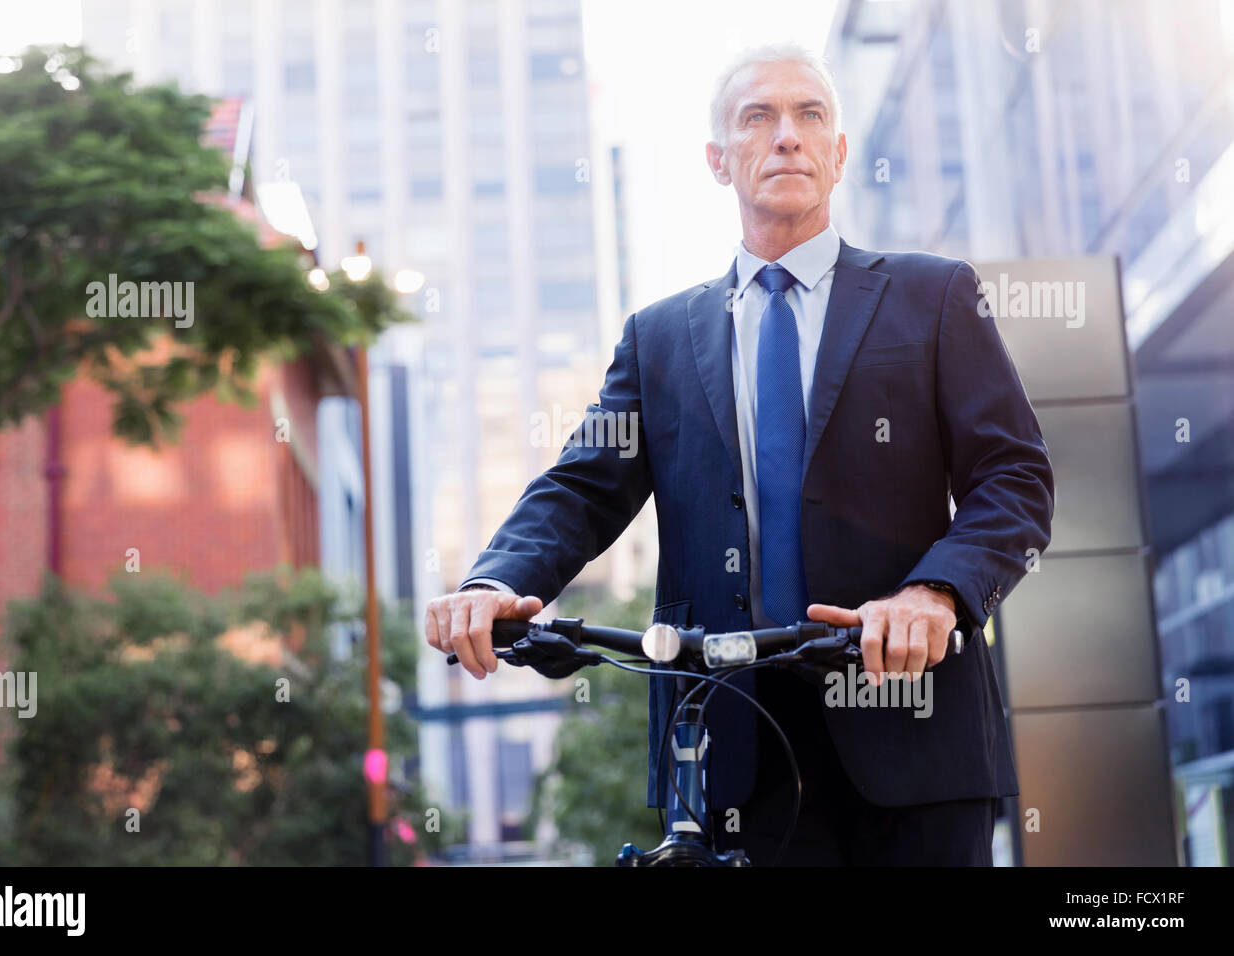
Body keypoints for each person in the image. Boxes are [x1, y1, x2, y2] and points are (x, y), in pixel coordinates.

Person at [425, 43, 1054, 866]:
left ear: (839, 153)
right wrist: (497, 580)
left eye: (810, 116)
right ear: (719, 161)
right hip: (729, 749)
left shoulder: (933, 295)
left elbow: (1014, 478)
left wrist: (935, 594)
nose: (787, 136)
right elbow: (583, 486)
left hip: (914, 731)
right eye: (759, 117)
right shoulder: (660, 338)